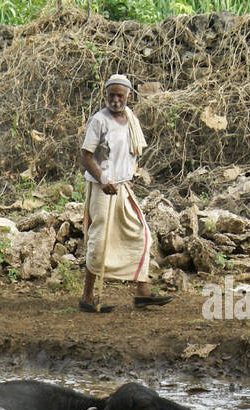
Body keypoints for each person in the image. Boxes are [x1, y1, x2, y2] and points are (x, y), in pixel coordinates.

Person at [78, 74, 173, 312]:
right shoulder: (99, 121)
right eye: (111, 95)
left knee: (142, 234)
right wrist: (103, 178)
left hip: (122, 187)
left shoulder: (131, 119)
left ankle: (143, 292)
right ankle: (87, 297)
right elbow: (86, 156)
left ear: (128, 96)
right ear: (106, 95)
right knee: (99, 242)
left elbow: (132, 153)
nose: (115, 100)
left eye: (120, 95)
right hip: (102, 188)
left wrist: (126, 179)